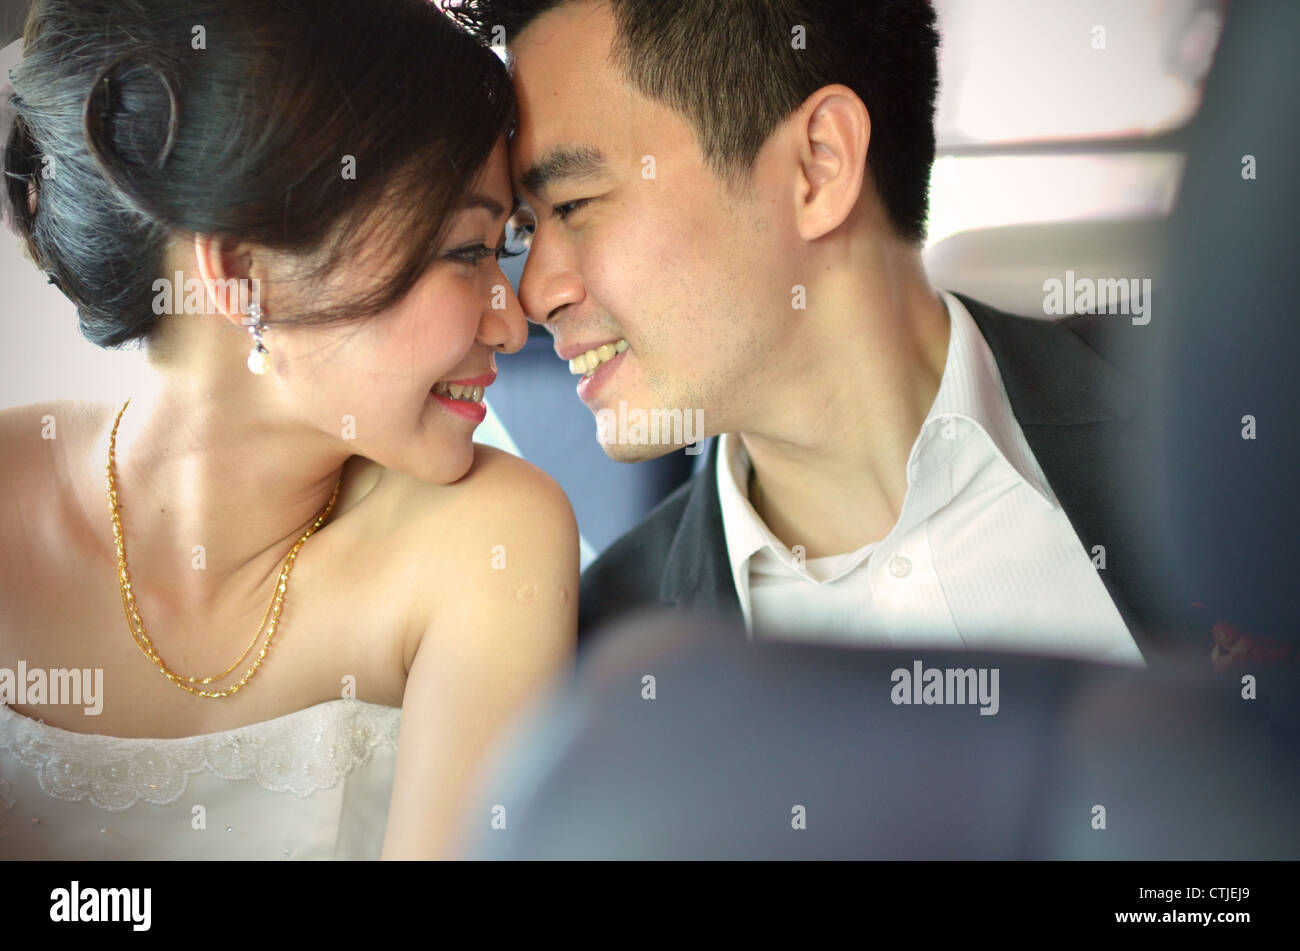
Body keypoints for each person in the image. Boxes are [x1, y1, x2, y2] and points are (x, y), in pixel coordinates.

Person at [447, 0, 1198, 669]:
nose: (531, 296)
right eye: (526, 227)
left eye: (574, 204)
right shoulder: (604, 665)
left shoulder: (1224, 416)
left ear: (818, 166)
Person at [0, 0, 577, 860]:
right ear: (242, 275)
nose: (512, 322)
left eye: (505, 248)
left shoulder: (491, 544)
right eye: (465, 251)